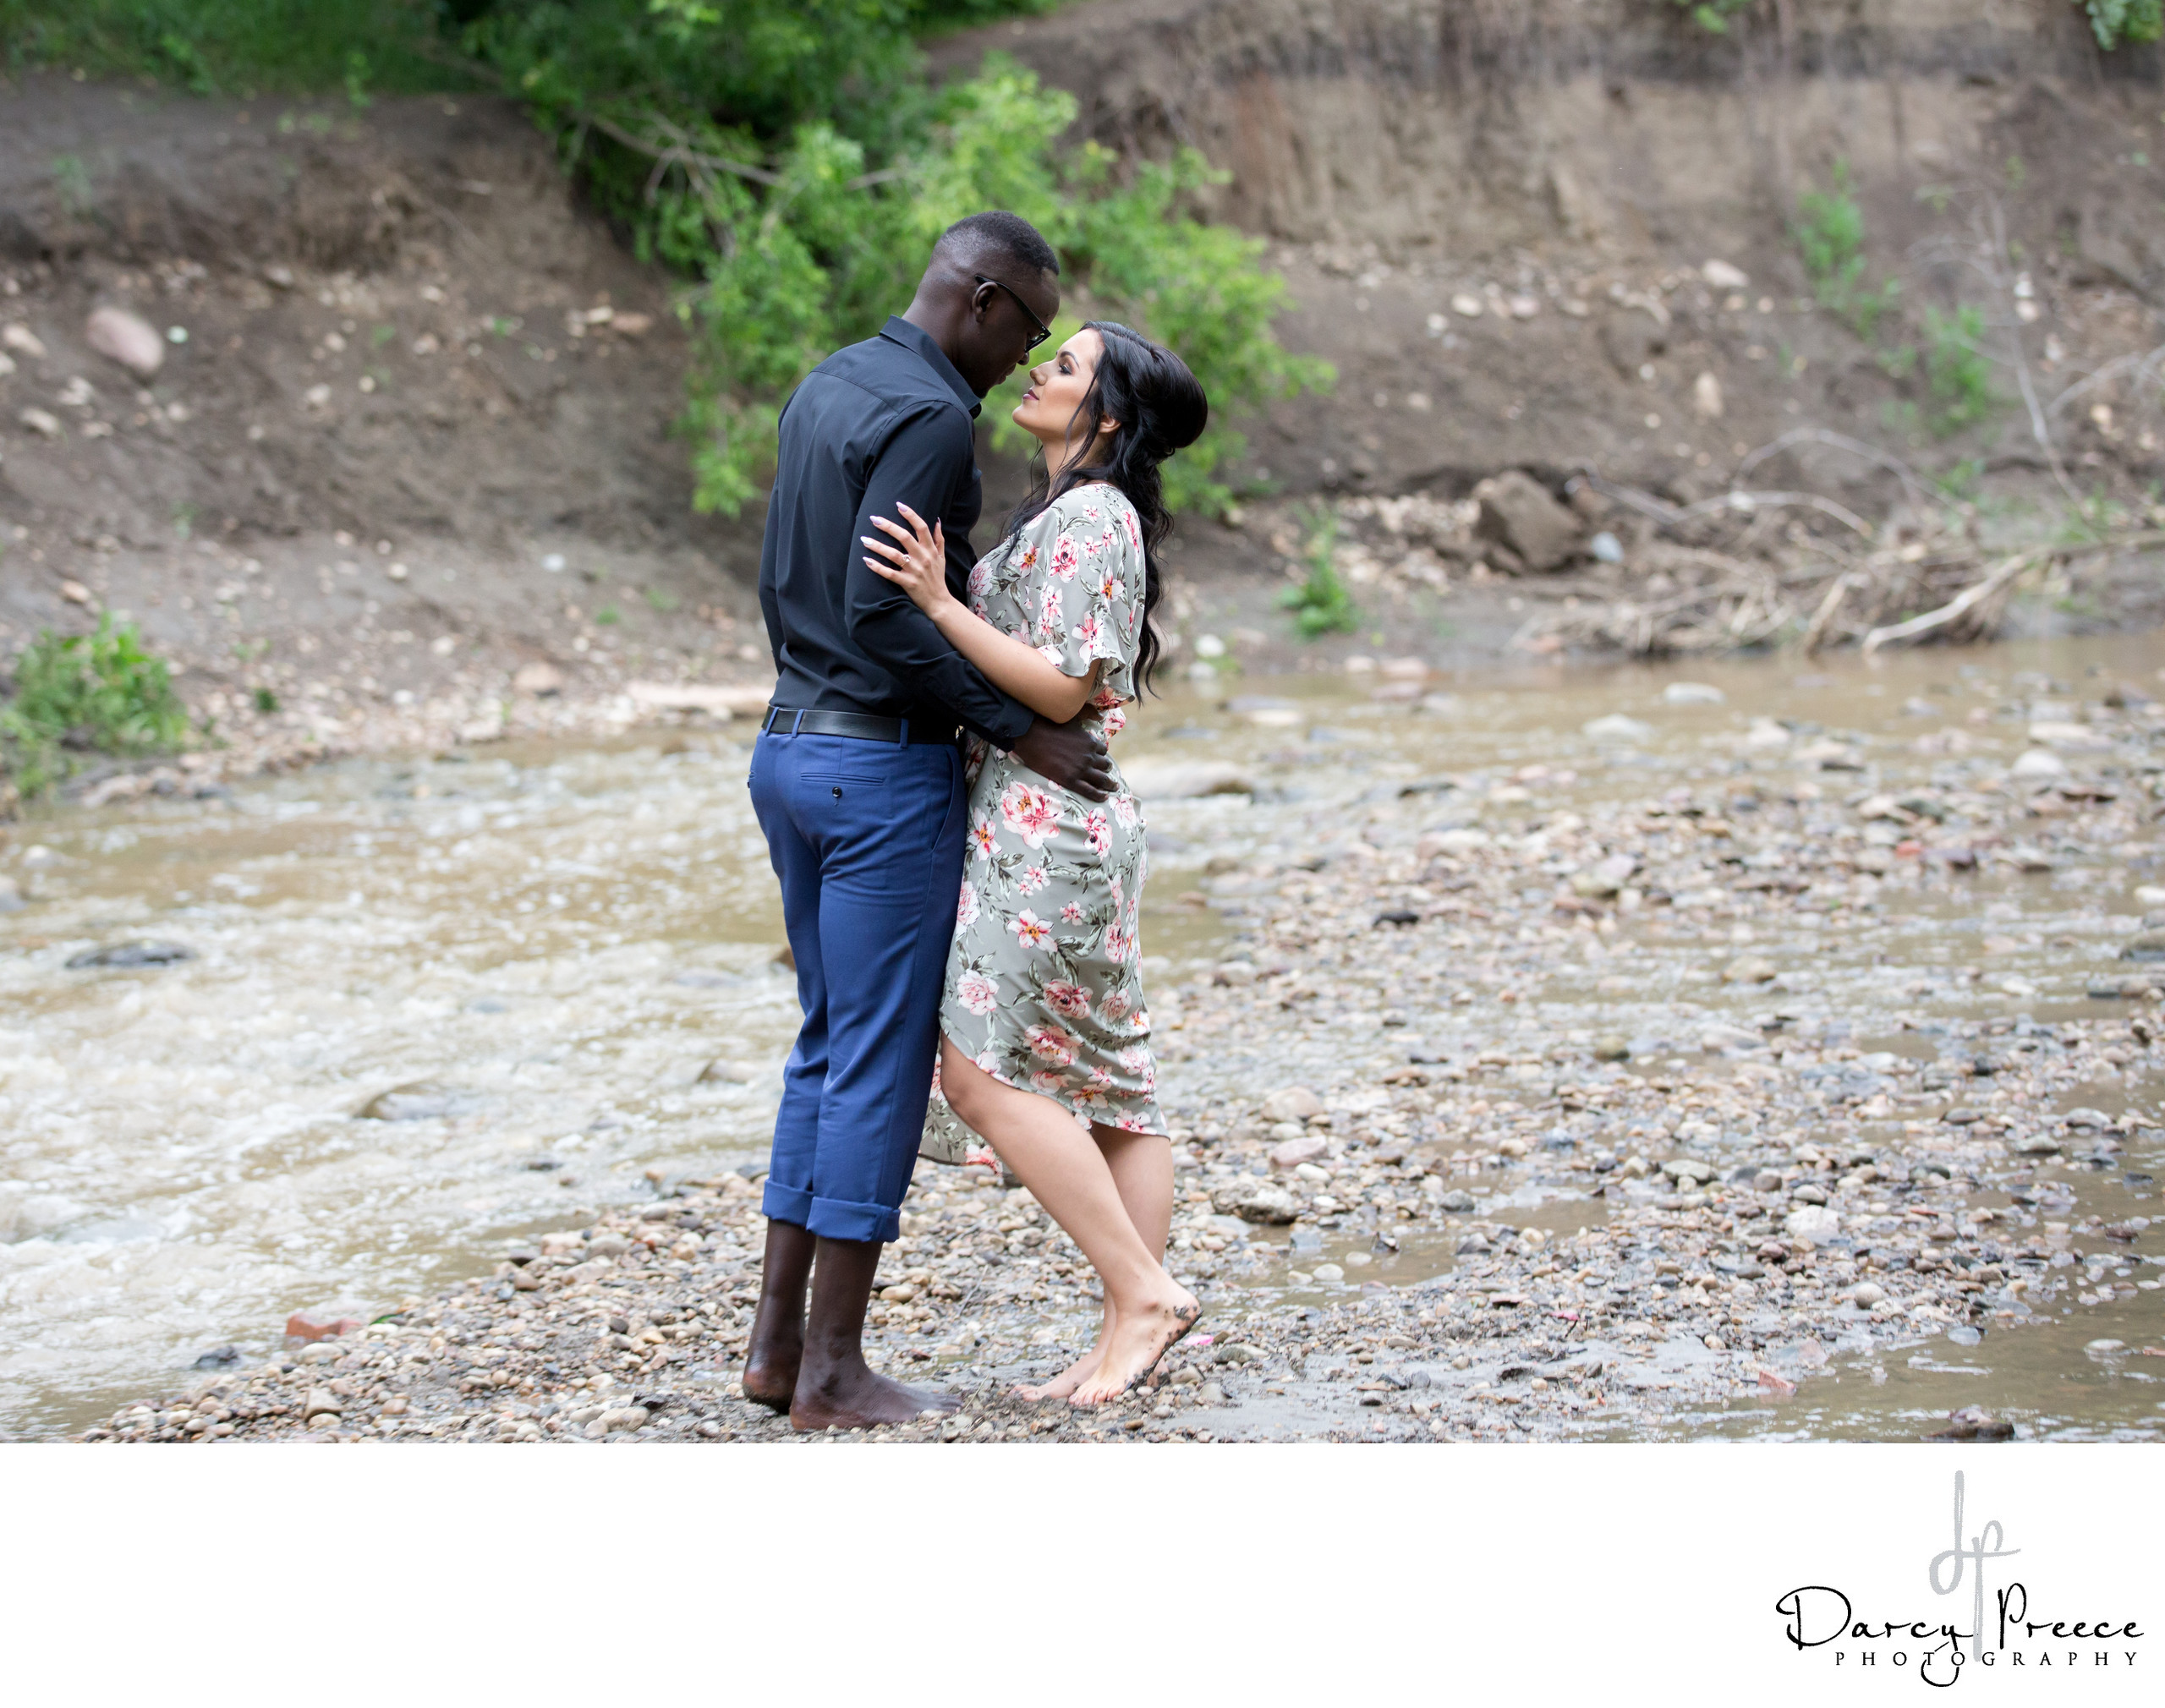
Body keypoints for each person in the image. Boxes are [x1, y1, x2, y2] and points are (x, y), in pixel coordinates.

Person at [744, 211, 1118, 1432]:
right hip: (875, 780)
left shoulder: (829, 381)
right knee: (881, 1066)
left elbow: (790, 583)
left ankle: (775, 1354)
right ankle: (836, 1374)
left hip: (789, 754)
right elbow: (886, 610)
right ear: (989, 298)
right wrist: (1019, 730)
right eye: (1036, 330)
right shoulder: (926, 416)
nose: (1029, 359)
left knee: (825, 1045)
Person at [860, 318, 1210, 1407]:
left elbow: (1058, 688)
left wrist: (935, 602)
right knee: (1108, 1083)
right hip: (1064, 817)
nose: (1036, 369)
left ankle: (1143, 1298)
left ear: (1105, 417)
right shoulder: (1072, 511)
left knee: (977, 1070)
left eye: (1064, 366)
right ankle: (1136, 1318)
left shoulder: (1092, 517)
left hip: (1045, 820)